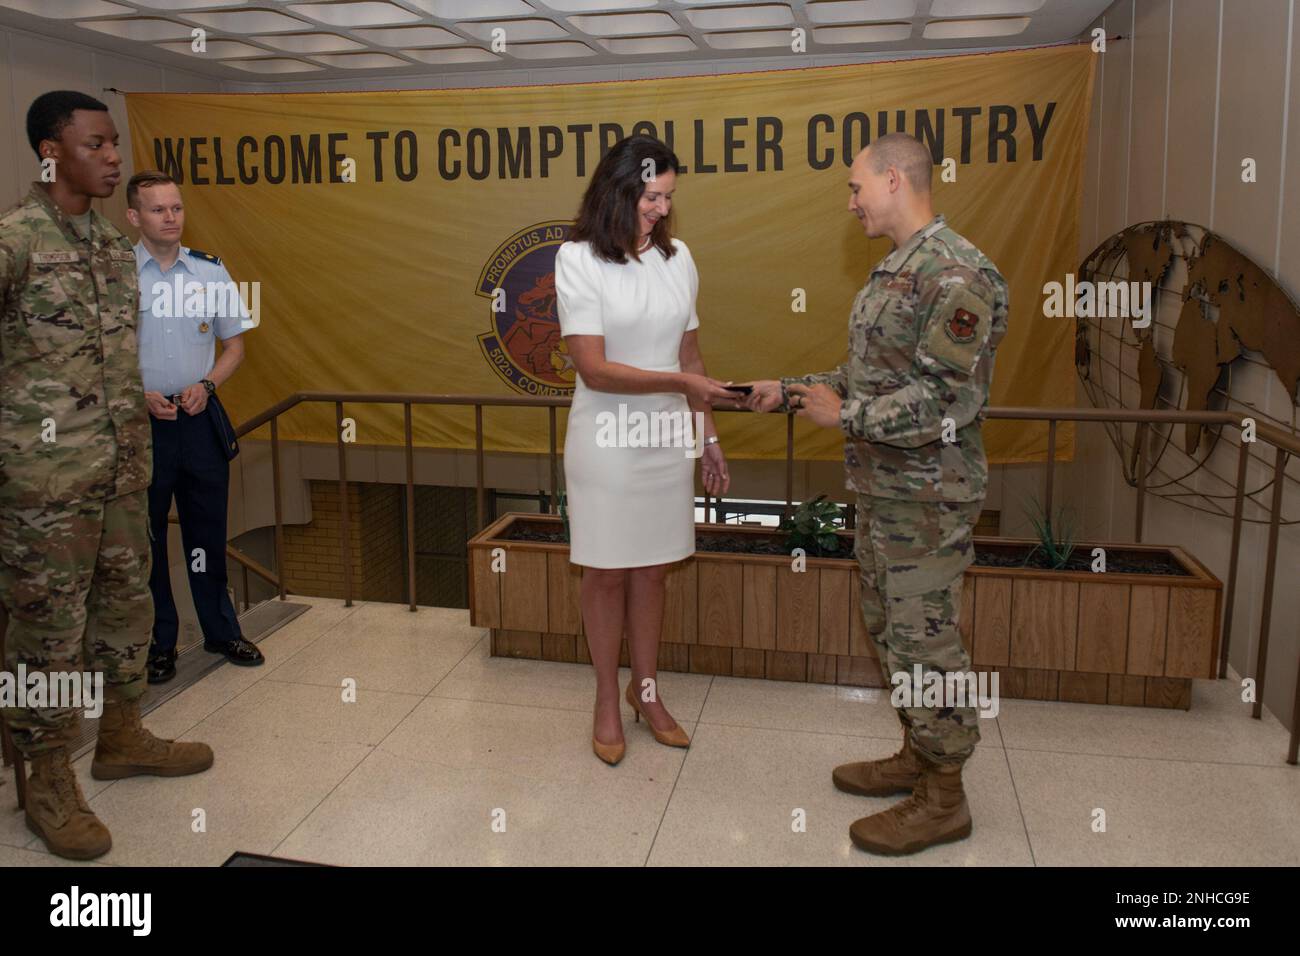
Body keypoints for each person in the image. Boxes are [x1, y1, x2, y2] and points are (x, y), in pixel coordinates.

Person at [745, 132, 1009, 855]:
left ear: (894, 180)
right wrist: (799, 391)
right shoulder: (896, 269)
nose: (851, 199)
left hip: (927, 502)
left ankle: (944, 796)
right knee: (890, 633)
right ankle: (917, 756)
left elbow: (947, 402)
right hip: (886, 494)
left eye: (856, 185)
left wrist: (847, 415)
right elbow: (869, 375)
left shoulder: (956, 273)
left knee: (928, 644)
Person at [0, 91, 214, 861]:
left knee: (124, 609)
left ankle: (122, 733)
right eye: (97, 144)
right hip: (43, 491)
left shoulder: (106, 247)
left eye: (115, 142)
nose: (114, 157)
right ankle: (48, 778)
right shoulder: (15, 241)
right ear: (52, 153)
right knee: (46, 637)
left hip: (122, 472)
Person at [556, 135, 739, 766]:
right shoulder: (578, 259)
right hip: (606, 439)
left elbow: (691, 356)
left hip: (665, 438)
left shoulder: (678, 257)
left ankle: (647, 689)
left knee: (654, 568)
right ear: (620, 190)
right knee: (606, 570)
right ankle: (608, 696)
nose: (661, 208)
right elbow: (594, 368)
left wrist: (706, 433)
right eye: (652, 196)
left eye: (667, 197)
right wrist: (682, 385)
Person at [125, 170, 262, 683]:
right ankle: (160, 643)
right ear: (134, 217)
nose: (171, 217)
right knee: (150, 539)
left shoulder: (210, 270)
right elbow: (96, 358)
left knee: (206, 534)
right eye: (158, 209)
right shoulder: (117, 274)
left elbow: (236, 348)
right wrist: (136, 397)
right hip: (142, 427)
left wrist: (206, 384)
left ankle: (221, 631)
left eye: (176, 208)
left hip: (199, 419)